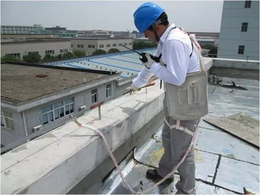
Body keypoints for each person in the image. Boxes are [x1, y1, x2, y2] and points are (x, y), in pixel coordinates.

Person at [128, 2, 208, 194]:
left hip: (185, 103)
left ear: (155, 27)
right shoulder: (166, 40)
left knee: (183, 150)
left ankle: (187, 191)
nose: (147, 38)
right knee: (169, 139)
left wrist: (152, 65)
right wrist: (135, 85)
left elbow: (177, 78)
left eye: (146, 33)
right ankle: (165, 172)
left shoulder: (174, 41)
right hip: (176, 101)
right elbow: (153, 64)